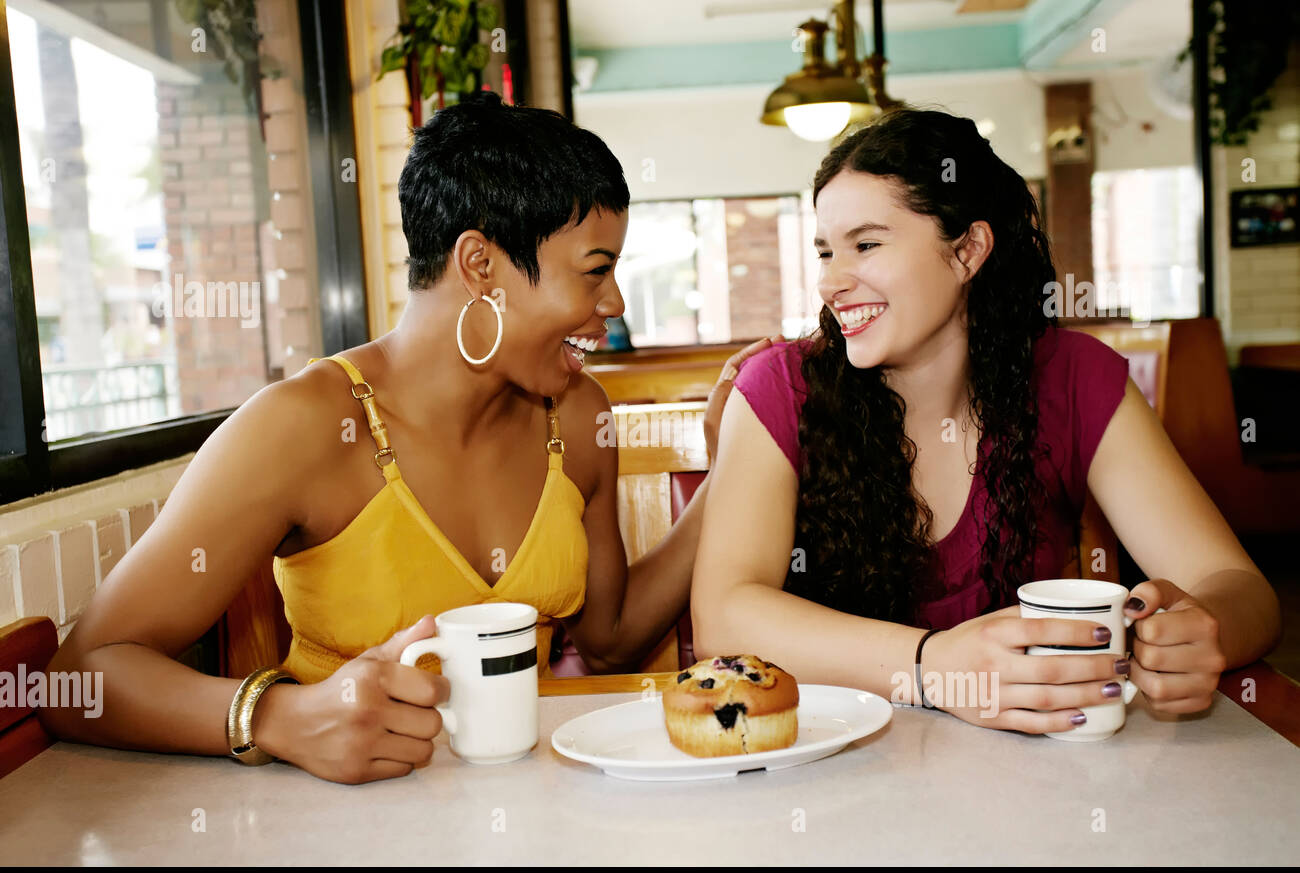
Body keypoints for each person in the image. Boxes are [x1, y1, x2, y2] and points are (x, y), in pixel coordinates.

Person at [39, 91, 774, 783]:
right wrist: (278, 717)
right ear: (481, 265)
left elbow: (610, 637)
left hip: (538, 810)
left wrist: (732, 471)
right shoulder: (301, 427)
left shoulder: (580, 416)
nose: (613, 305)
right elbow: (79, 677)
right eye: (595, 272)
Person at [692, 108, 1281, 735]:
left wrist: (1201, 632)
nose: (832, 283)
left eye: (866, 245)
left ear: (968, 249)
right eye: (826, 251)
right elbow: (724, 619)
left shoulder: (1072, 378)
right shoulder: (780, 388)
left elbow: (1241, 589)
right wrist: (933, 664)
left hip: (1030, 784)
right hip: (829, 771)